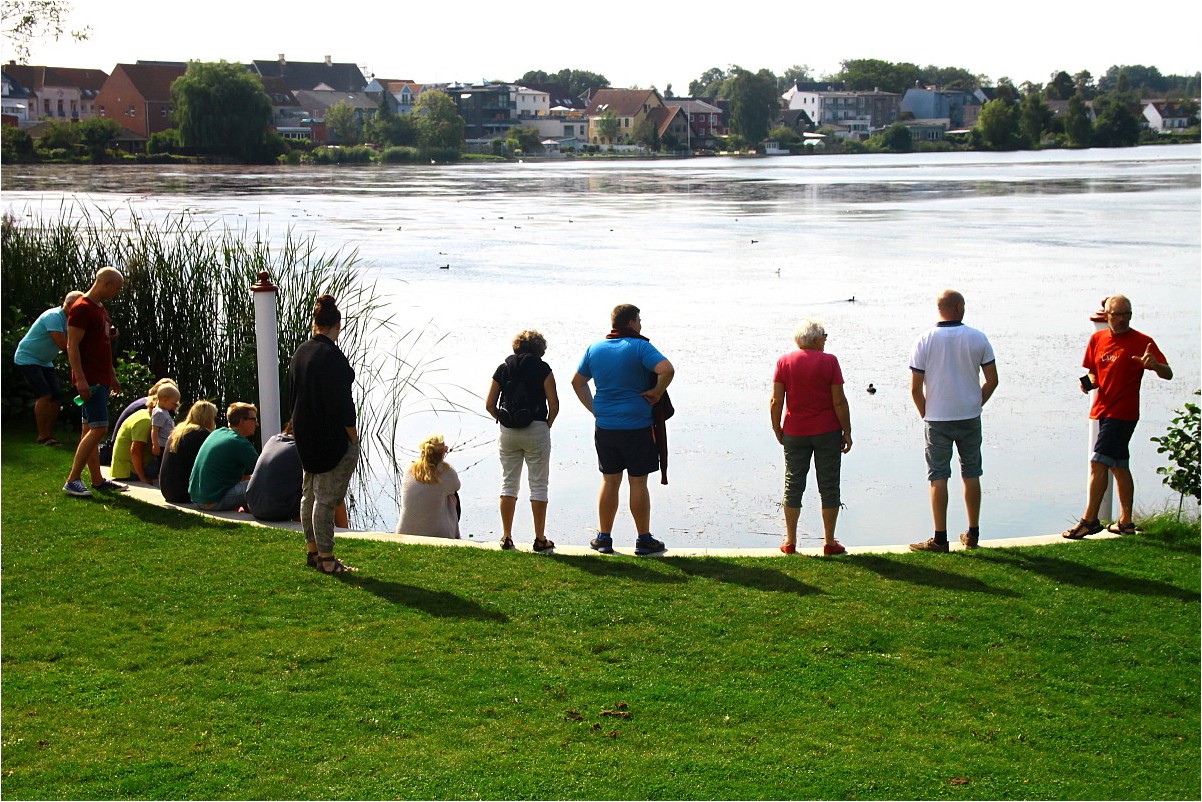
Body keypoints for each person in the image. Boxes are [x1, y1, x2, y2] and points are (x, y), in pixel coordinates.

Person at [1063, 294, 1173, 539]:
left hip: (1123, 414)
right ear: (1107, 316)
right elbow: (1094, 373)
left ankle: (1089, 520)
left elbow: (1169, 374)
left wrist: (1155, 365)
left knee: (1098, 463)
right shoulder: (1097, 338)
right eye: (1117, 315)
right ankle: (1125, 522)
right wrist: (1088, 383)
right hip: (1102, 410)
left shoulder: (1143, 342)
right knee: (1119, 466)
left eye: (1127, 314)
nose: (1122, 319)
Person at [571, 303, 675, 556]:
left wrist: (595, 409)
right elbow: (667, 369)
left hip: (606, 426)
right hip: (637, 426)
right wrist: (657, 391)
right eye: (638, 320)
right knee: (638, 482)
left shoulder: (594, 349)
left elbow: (578, 382)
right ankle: (643, 540)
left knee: (610, 479)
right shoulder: (640, 346)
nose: (640, 325)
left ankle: (604, 538)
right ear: (630, 323)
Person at [908, 289, 999, 552]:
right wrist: (975, 402)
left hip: (937, 418)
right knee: (971, 472)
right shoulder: (977, 337)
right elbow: (992, 381)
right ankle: (973, 533)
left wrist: (925, 412)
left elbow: (915, 388)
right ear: (958, 307)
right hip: (969, 416)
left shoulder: (924, 340)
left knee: (938, 476)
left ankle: (940, 538)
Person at [289, 295, 360, 574]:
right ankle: (328, 560)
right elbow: (344, 404)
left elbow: (293, 394)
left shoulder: (300, 353)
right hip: (329, 437)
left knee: (309, 494)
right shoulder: (333, 357)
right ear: (337, 325)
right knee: (327, 499)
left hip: (304, 434)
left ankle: (313, 551)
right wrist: (352, 437)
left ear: (313, 323)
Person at [770, 318, 853, 556]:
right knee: (828, 484)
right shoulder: (830, 361)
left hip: (795, 431)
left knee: (793, 483)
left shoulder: (784, 361)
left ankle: (790, 541)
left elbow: (776, 400)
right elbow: (839, 400)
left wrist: (777, 427)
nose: (826, 339)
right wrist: (847, 430)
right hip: (827, 431)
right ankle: (829, 542)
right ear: (815, 338)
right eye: (824, 335)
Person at [485, 329, 559, 552]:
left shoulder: (503, 368)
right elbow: (554, 403)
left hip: (508, 431)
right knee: (538, 485)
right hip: (536, 427)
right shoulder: (543, 369)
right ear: (540, 348)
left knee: (508, 482)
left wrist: (502, 419)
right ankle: (539, 539)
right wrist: (548, 423)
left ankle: (506, 537)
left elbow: (489, 404)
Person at [62, 266, 126, 498]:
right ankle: (73, 479)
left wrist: (112, 374)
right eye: (116, 288)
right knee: (99, 428)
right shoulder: (81, 308)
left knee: (89, 429)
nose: (117, 292)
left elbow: (103, 344)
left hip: (101, 376)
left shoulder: (100, 308)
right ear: (106, 284)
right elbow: (72, 345)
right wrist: (80, 379)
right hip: (90, 380)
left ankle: (97, 480)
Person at [14, 290, 83, 446]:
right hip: (28, 358)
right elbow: (62, 343)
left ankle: (48, 433)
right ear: (71, 305)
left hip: (45, 361)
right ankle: (42, 436)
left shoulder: (70, 319)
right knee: (44, 394)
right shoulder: (53, 317)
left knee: (57, 396)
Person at [188, 402, 260, 510]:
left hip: (196, 499)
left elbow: (245, 475)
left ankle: (248, 510)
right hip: (213, 502)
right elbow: (263, 473)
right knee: (261, 483)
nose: (257, 424)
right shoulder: (241, 443)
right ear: (242, 422)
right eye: (254, 419)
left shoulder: (217, 433)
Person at [110, 383, 180, 484]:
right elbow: (135, 450)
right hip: (128, 471)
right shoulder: (145, 421)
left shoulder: (144, 413)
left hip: (126, 468)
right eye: (173, 404)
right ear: (164, 401)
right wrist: (142, 478)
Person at [395, 434, 462, 539]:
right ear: (441, 453)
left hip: (405, 531)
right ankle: (453, 534)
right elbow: (456, 486)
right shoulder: (446, 471)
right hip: (439, 534)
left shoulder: (409, 468)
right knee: (452, 496)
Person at [102, 378, 177, 466]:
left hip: (116, 446)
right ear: (165, 398)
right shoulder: (150, 408)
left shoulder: (147, 402)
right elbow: (138, 445)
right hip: (122, 456)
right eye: (173, 402)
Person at [159, 400, 217, 504]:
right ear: (209, 417)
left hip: (167, 491)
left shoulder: (178, 431)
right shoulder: (202, 434)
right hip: (184, 493)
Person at [245, 421, 304, 522]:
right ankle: (340, 528)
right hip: (273, 511)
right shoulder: (301, 449)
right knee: (326, 488)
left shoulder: (274, 440)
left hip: (253, 505)